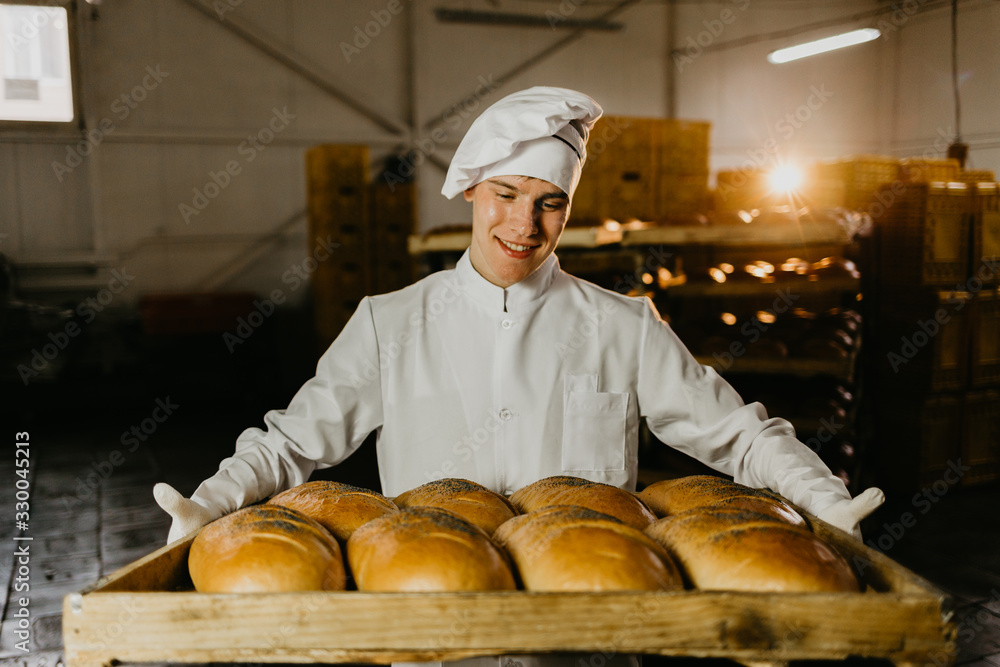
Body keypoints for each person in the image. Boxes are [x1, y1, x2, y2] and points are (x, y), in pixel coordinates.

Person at [155, 85, 883, 546]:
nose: (524, 224)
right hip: (438, 609)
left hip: (585, 613)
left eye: (549, 202)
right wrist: (211, 501)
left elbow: (738, 435)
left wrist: (822, 497)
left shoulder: (623, 326)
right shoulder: (391, 322)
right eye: (505, 194)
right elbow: (291, 443)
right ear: (471, 191)